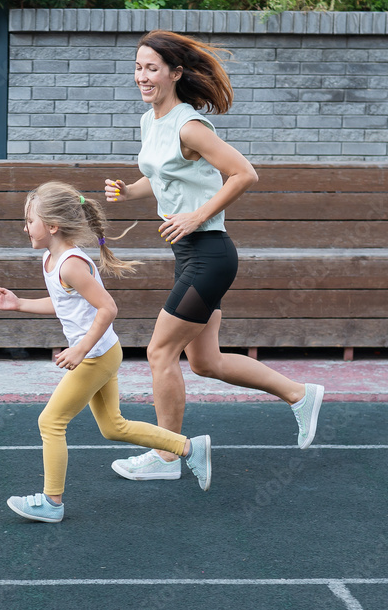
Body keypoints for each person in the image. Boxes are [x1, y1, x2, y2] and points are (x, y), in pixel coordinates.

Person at [104, 30, 324, 483]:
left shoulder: (189, 125)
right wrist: (129, 191)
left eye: (152, 68)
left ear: (175, 73)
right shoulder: (152, 121)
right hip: (191, 256)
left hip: (209, 253)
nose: (142, 76)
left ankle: (168, 457)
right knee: (206, 361)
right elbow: (162, 175)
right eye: (138, 67)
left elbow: (244, 173)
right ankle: (300, 394)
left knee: (159, 352)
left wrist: (194, 217)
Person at [0, 180, 211, 524]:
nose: (25, 227)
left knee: (51, 421)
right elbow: (65, 304)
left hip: (96, 356)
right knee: (112, 426)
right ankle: (189, 448)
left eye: (30, 220)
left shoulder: (71, 263)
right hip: (102, 352)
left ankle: (51, 502)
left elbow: (108, 308)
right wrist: (19, 304)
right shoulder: (52, 258)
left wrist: (80, 349)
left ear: (52, 226)